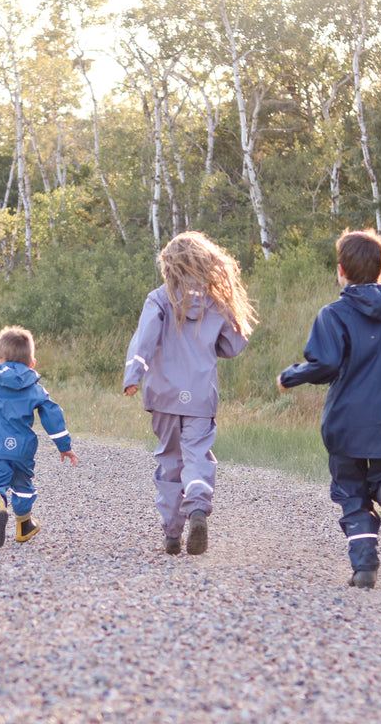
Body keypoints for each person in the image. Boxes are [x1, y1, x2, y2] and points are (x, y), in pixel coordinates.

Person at [277, 229, 381, 589]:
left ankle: (364, 566)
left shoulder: (333, 315)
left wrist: (291, 376)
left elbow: (326, 362)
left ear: (341, 270)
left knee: (351, 493)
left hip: (347, 425)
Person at [123, 232, 255, 556]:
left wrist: (133, 374)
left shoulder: (159, 299)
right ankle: (197, 507)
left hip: (163, 396)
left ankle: (172, 533)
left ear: (169, 266)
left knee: (170, 460)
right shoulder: (215, 302)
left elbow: (144, 339)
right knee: (196, 454)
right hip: (199, 396)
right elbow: (233, 346)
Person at [0, 325, 79, 549]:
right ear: (32, 362)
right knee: (22, 487)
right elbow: (52, 416)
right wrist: (64, 446)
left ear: (0, 359)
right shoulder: (36, 389)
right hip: (23, 451)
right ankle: (24, 526)